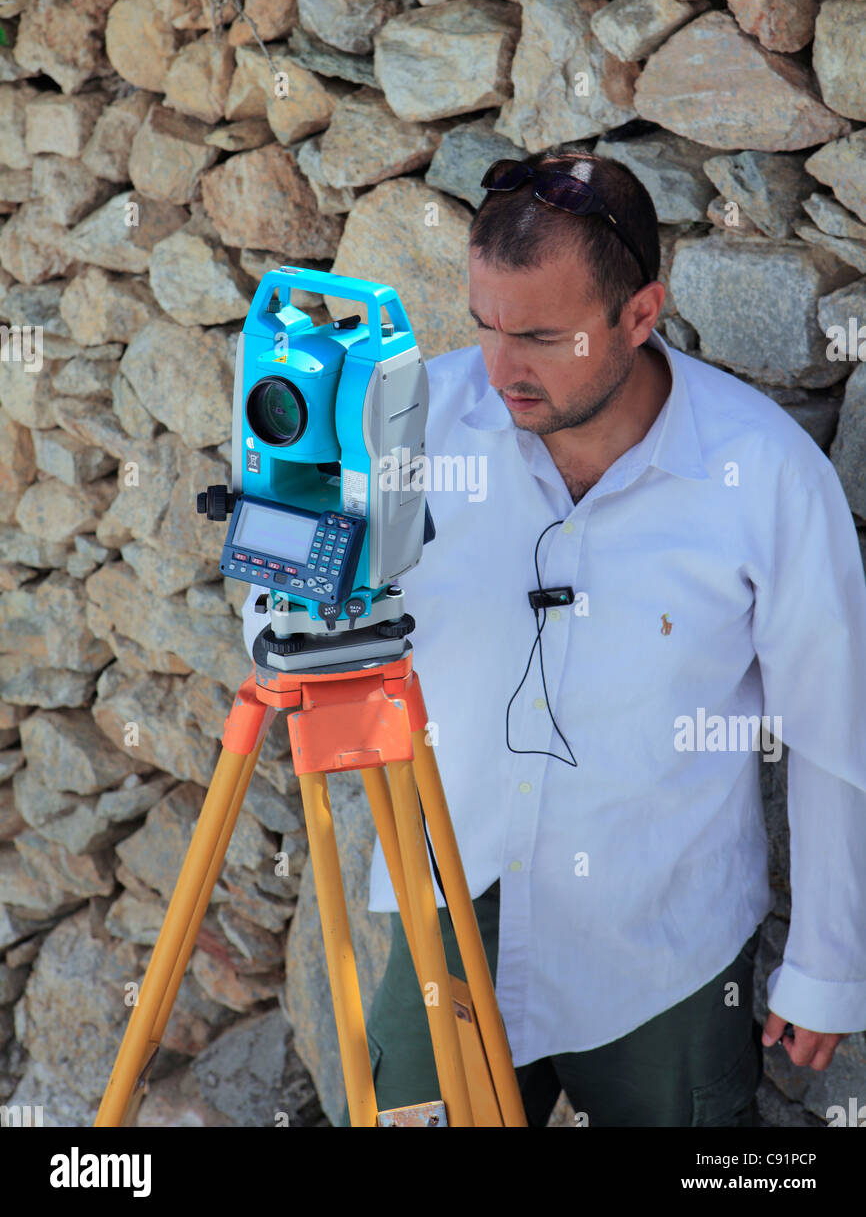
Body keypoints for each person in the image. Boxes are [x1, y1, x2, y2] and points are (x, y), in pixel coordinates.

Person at [243, 150, 866, 1128]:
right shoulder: (409, 425)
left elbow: (833, 730)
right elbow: (275, 610)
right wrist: (300, 595)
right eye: (485, 324)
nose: (498, 369)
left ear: (637, 315)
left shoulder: (766, 475)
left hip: (665, 941)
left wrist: (825, 961)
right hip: (452, 892)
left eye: (538, 336)